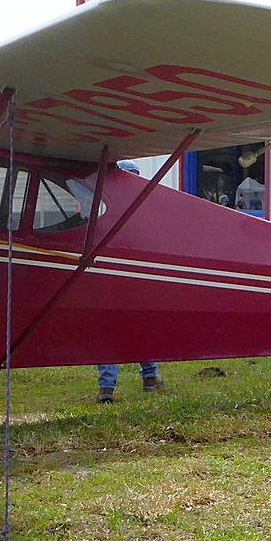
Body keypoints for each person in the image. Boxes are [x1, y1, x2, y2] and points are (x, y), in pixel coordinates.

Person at [95, 160, 165, 403]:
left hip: (106, 278)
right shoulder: (146, 209)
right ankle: (149, 376)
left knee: (106, 331)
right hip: (137, 278)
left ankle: (106, 388)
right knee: (141, 326)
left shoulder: (100, 207)